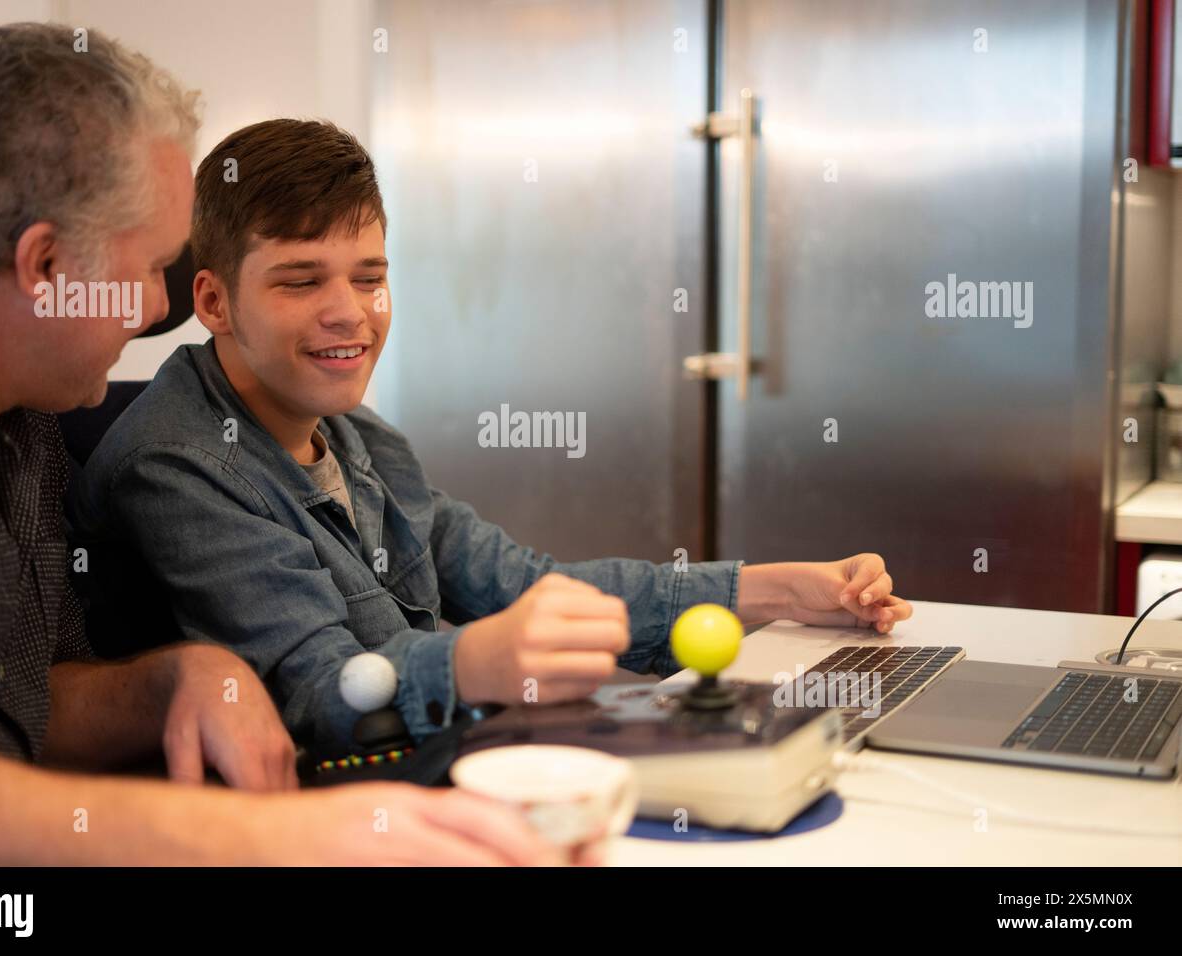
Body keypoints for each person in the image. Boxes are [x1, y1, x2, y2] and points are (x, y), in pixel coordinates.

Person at [0, 23, 559, 867]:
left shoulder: (25, 405)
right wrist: (248, 838)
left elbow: (27, 703)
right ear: (45, 267)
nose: (154, 315)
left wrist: (183, 674)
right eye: (153, 268)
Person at [70, 118, 915, 760]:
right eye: (301, 281)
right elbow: (321, 693)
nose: (349, 312)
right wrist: (475, 661)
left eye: (370, 277)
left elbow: (524, 582)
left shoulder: (358, 439)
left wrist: (775, 592)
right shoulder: (177, 466)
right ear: (214, 302)